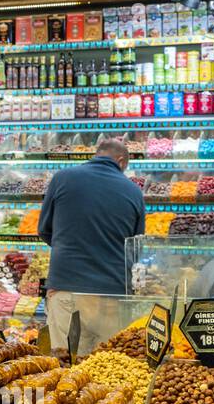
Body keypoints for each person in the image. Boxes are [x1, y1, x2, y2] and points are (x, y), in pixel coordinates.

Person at [38, 137, 145, 356]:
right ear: (122, 161)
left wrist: (69, 249)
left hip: (65, 286)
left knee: (61, 366)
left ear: (96, 154)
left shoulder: (63, 178)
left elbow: (44, 230)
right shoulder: (134, 191)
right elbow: (136, 248)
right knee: (105, 369)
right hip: (112, 294)